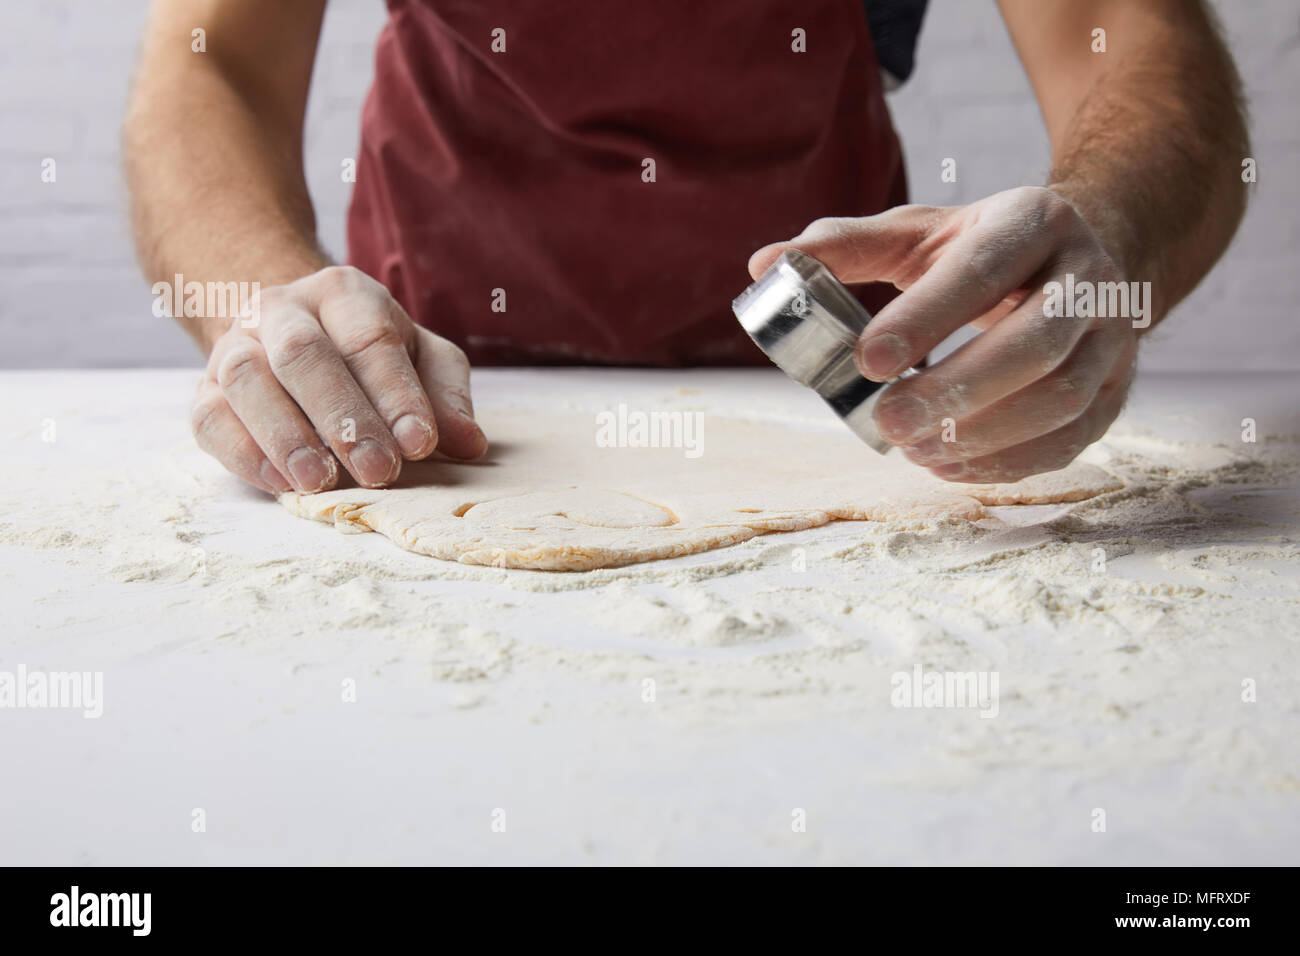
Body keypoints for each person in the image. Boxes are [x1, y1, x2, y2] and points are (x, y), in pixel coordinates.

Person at [124, 0, 1248, 494]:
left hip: (838, 421)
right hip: (433, 406)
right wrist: (271, 309)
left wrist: (1106, 230)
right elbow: (207, 60)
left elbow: (1136, 39)